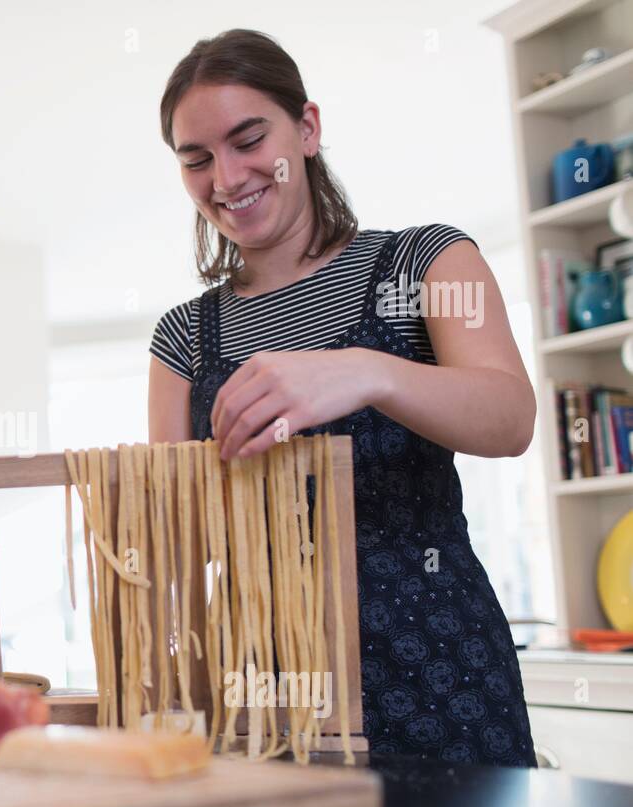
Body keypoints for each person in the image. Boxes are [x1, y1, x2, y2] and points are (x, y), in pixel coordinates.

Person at [147, 31, 537, 766]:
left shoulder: (426, 260)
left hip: (441, 671)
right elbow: (178, 544)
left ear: (308, 128)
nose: (226, 178)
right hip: (269, 693)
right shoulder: (183, 339)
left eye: (247, 139)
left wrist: (369, 371)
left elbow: (511, 417)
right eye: (195, 159)